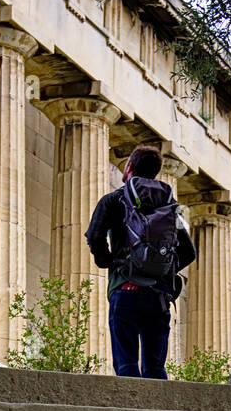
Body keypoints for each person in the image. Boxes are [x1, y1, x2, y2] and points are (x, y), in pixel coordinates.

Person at [84, 145, 196, 377]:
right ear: (155, 173)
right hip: (159, 297)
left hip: (125, 290)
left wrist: (110, 262)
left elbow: (95, 236)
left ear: (129, 168)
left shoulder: (113, 200)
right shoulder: (169, 209)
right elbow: (188, 252)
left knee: (126, 367)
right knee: (155, 369)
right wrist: (162, 273)